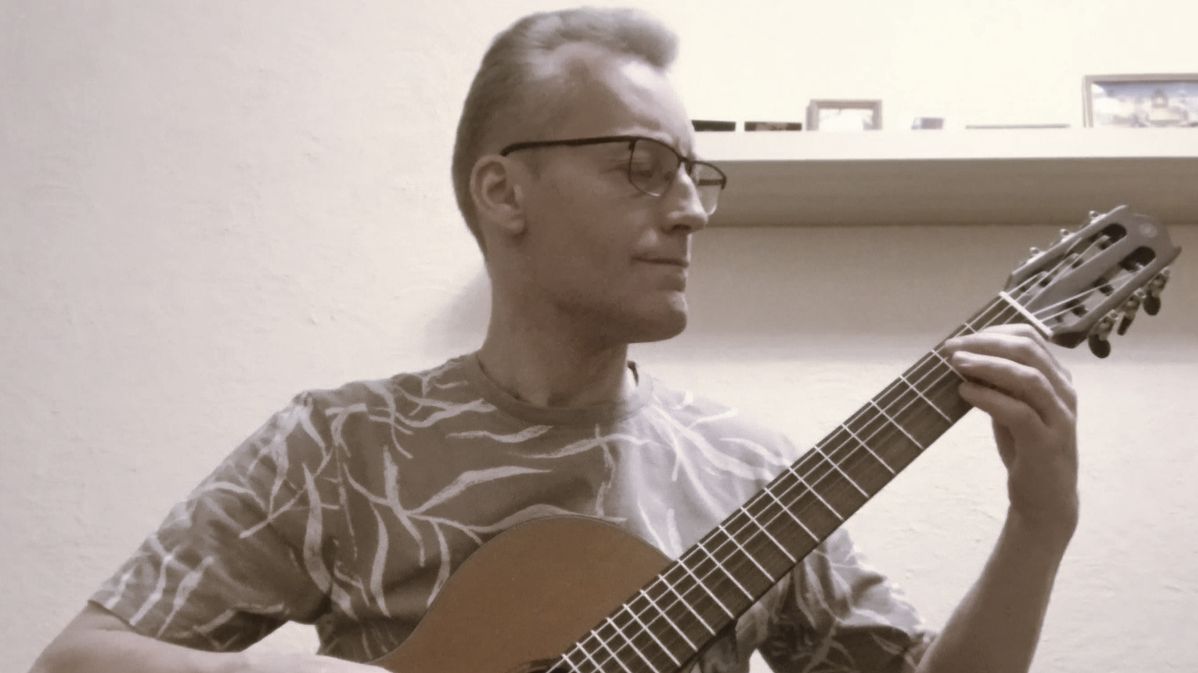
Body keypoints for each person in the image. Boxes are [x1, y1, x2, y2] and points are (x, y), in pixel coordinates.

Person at [30, 7, 1079, 673]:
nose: (689, 211)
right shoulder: (339, 446)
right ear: (504, 192)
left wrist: (1039, 523)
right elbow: (79, 658)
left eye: (694, 175)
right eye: (640, 166)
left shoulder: (748, 475)